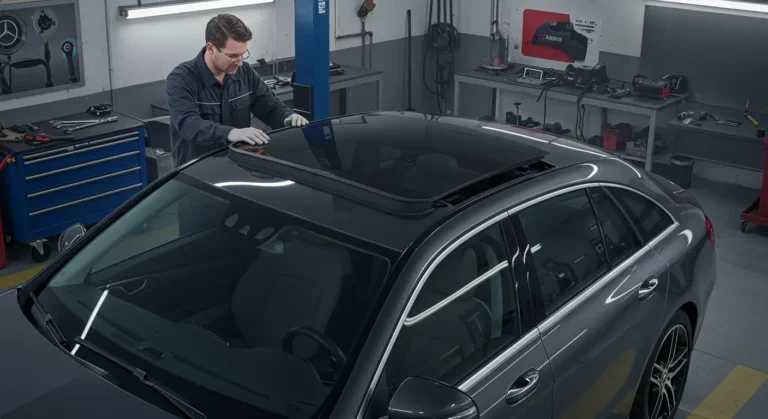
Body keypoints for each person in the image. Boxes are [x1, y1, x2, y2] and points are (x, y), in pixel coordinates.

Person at [166, 13, 308, 167]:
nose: (239, 62)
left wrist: (287, 117)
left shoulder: (245, 72)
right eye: (233, 56)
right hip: (198, 171)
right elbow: (188, 124)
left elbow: (269, 107)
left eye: (242, 55)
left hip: (237, 167)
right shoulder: (181, 79)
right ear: (211, 48)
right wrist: (230, 133)